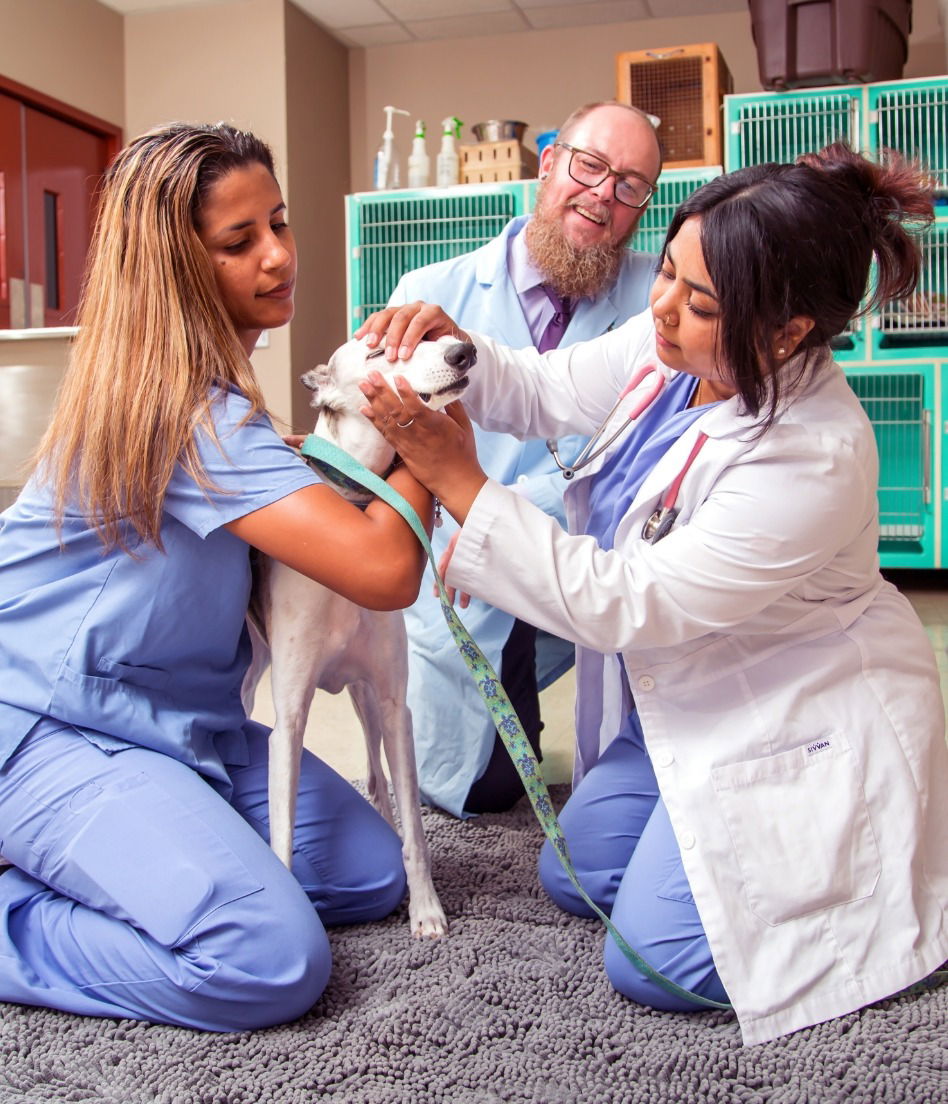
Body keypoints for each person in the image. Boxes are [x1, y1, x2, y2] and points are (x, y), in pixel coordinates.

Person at [356, 143, 948, 1046]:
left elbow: (624, 601)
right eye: (667, 272)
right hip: (690, 702)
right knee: (574, 876)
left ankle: (882, 889)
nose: (662, 308)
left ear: (787, 332)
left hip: (793, 715)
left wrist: (461, 482)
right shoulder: (676, 342)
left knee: (656, 960)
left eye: (699, 301)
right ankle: (697, 831)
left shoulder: (811, 456)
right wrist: (460, 352)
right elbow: (548, 386)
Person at [0, 122, 436, 1032]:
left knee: (369, 872)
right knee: (266, 956)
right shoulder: (191, 416)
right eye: (240, 242)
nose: (279, 256)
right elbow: (384, 571)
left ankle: (128, 849)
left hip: (178, 726)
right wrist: (425, 437)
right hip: (47, 725)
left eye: (278, 224)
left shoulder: (231, 411)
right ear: (175, 267)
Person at [389, 101, 663, 817]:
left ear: (643, 206)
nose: (604, 194)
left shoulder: (661, 299)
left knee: (645, 757)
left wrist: (510, 513)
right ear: (549, 164)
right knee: (486, 790)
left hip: (598, 562)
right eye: (591, 166)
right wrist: (478, 531)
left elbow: (643, 456)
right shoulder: (432, 294)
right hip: (464, 574)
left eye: (630, 185)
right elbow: (402, 451)